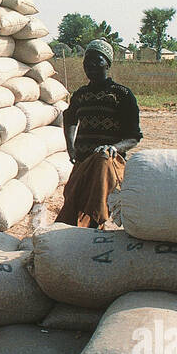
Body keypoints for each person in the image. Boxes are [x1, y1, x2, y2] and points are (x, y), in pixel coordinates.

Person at [56, 39, 142, 228]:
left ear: (108, 63)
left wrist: (114, 148)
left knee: (101, 160)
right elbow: (69, 118)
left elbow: (134, 136)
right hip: (83, 161)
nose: (91, 66)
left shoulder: (121, 95)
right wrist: (71, 147)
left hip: (110, 164)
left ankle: (96, 222)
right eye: (87, 61)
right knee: (72, 201)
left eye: (97, 61)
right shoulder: (80, 95)